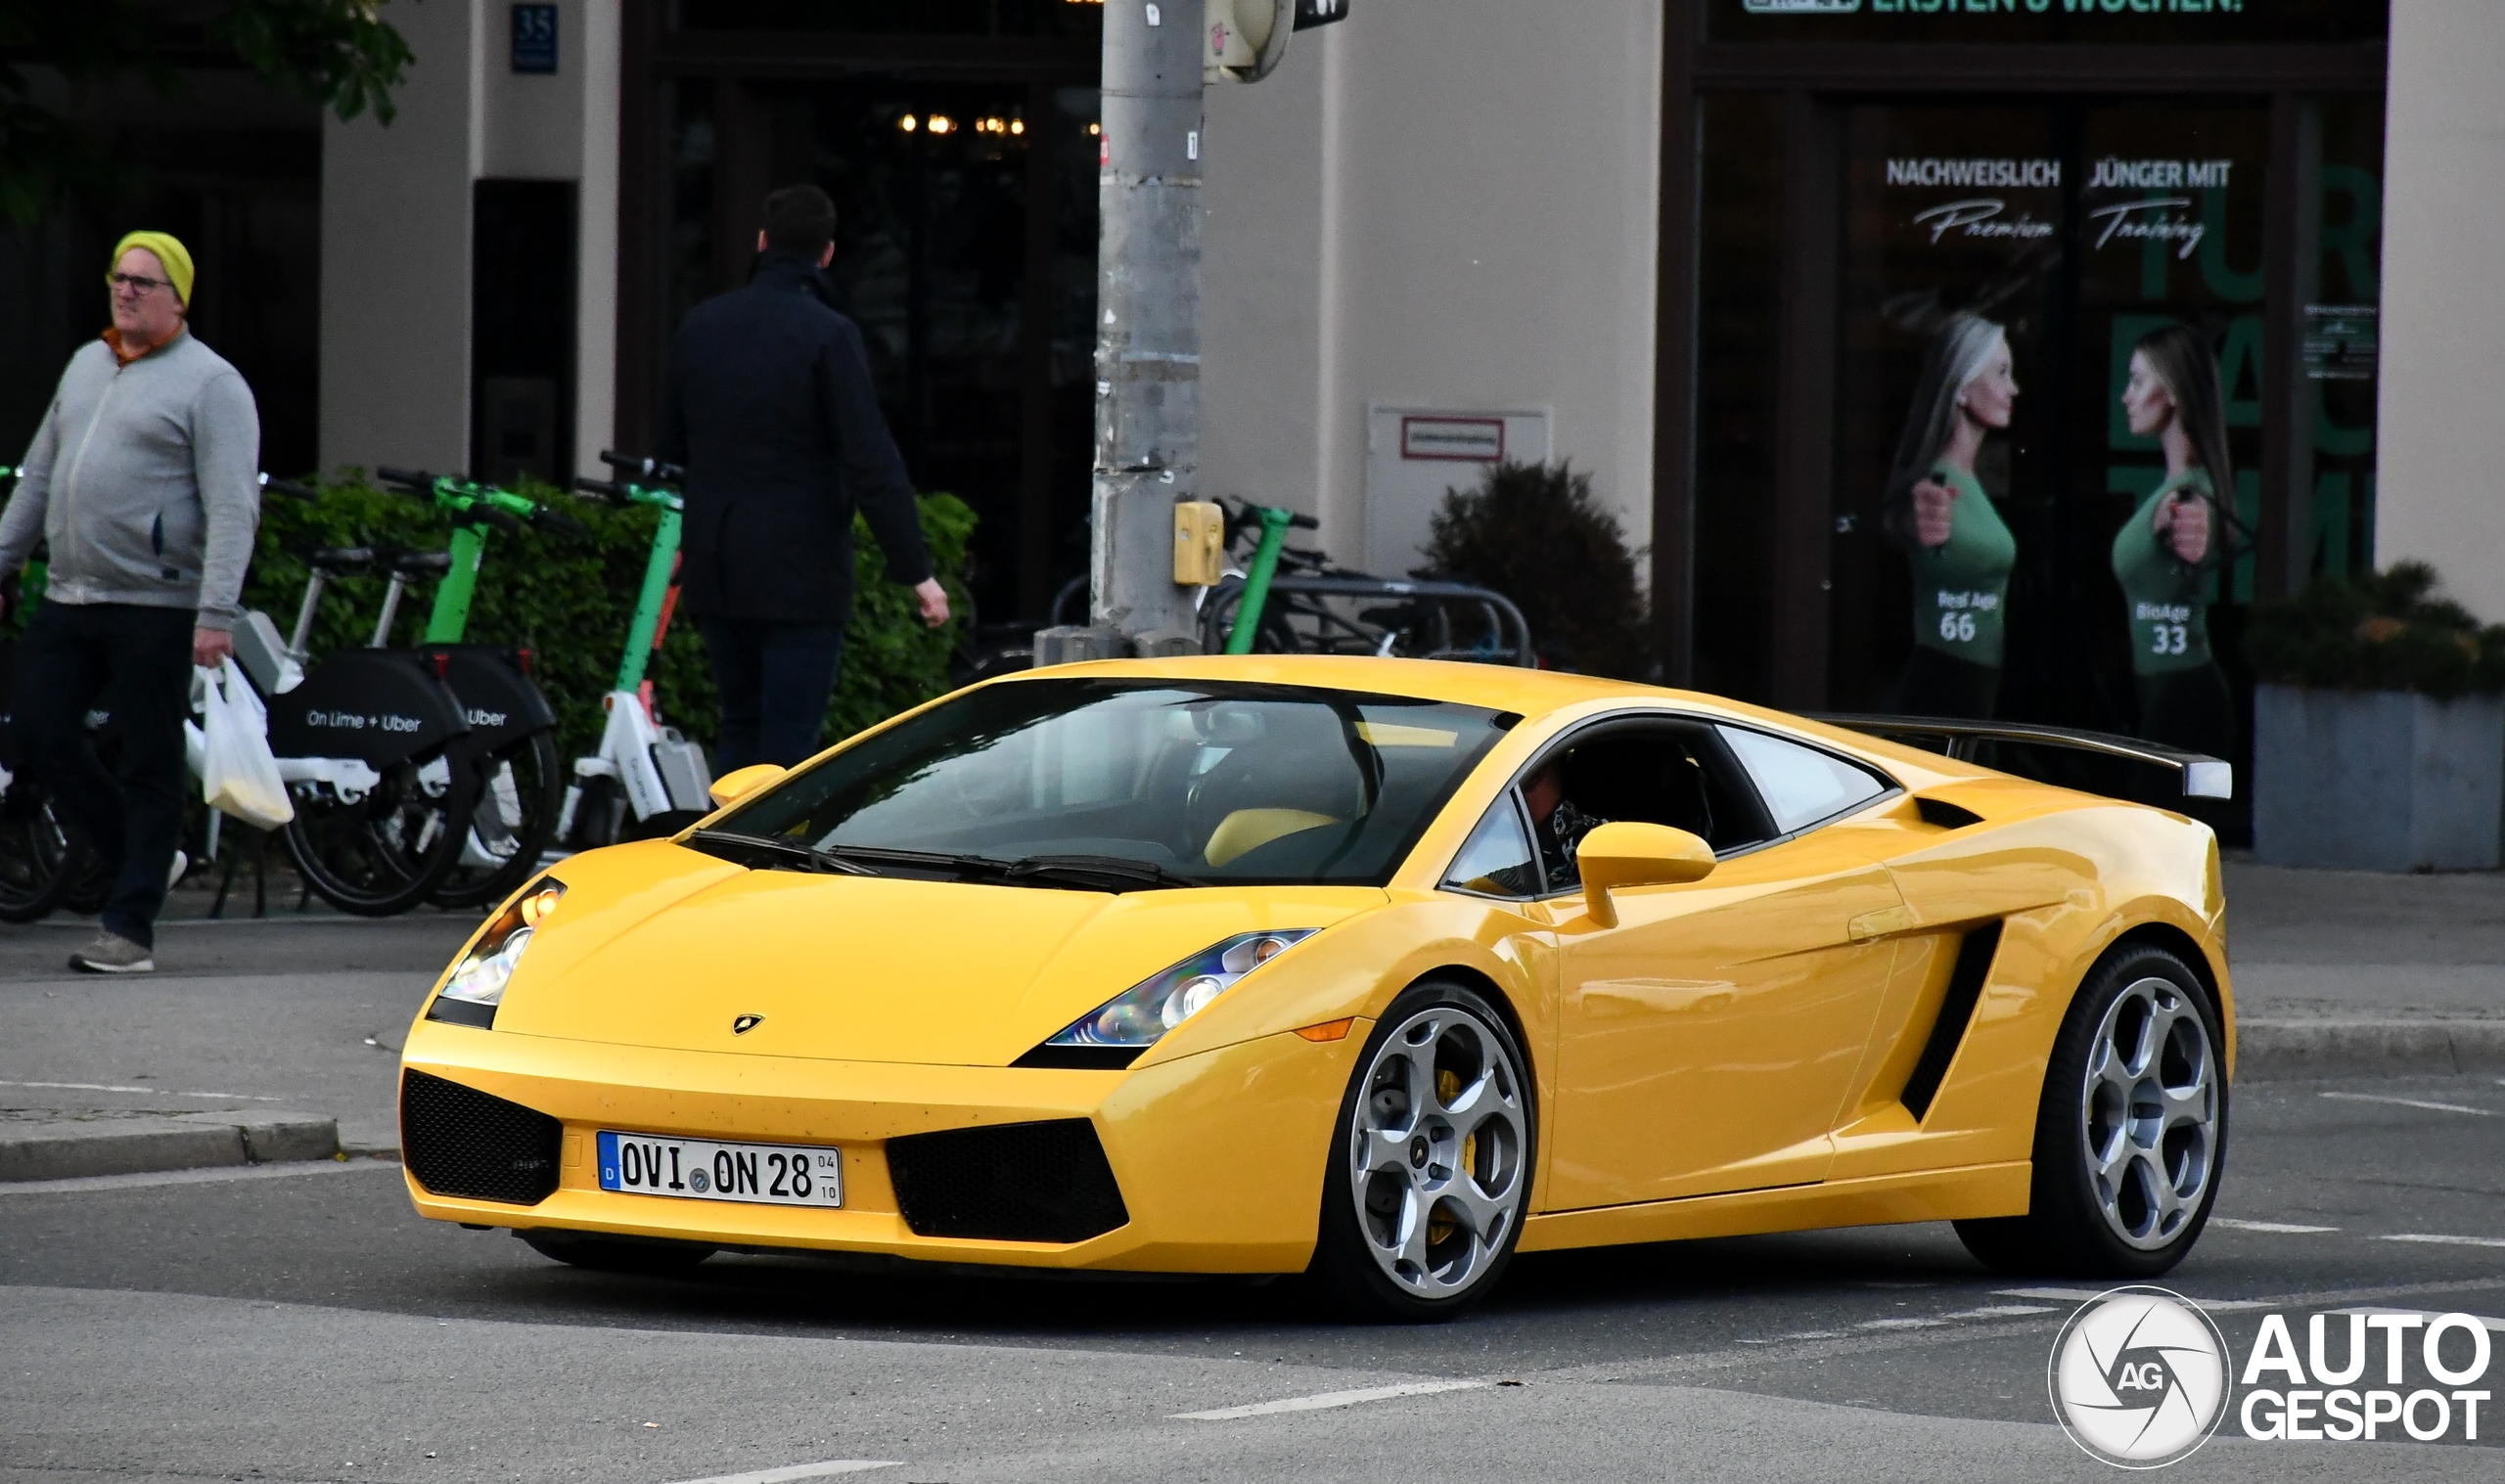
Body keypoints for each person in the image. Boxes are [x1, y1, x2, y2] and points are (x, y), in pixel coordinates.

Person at [0, 231, 260, 973]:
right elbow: (40, 475)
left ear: (178, 298)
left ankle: (130, 928)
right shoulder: (87, 364)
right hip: (71, 591)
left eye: (145, 282)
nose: (127, 290)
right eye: (120, 277)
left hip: (156, 600)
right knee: (40, 728)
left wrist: (216, 612)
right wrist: (2, 562)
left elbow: (234, 505)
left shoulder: (213, 385)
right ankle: (144, 858)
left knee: (150, 757)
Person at [658, 183, 950, 772]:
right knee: (790, 744)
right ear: (828, 254)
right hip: (802, 568)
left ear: (762, 242)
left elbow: (671, 448)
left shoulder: (700, 326)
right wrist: (915, 570)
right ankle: (776, 858)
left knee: (738, 726)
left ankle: (725, 851)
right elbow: (870, 458)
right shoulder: (828, 334)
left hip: (718, 560)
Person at [1882, 314, 2021, 720]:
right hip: (1945, 690)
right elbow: (1915, 513)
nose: (2013, 388)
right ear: (1960, 388)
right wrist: (1917, 517)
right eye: (2001, 372)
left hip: (1977, 693)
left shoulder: (1969, 481)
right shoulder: (1934, 485)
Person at [2113, 323, 2242, 758]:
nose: (2126, 396)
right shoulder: (2177, 487)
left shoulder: (2190, 496)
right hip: (2164, 698)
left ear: (2170, 391)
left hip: (2183, 704)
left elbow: (2194, 534)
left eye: (2137, 381)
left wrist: (2193, 539)